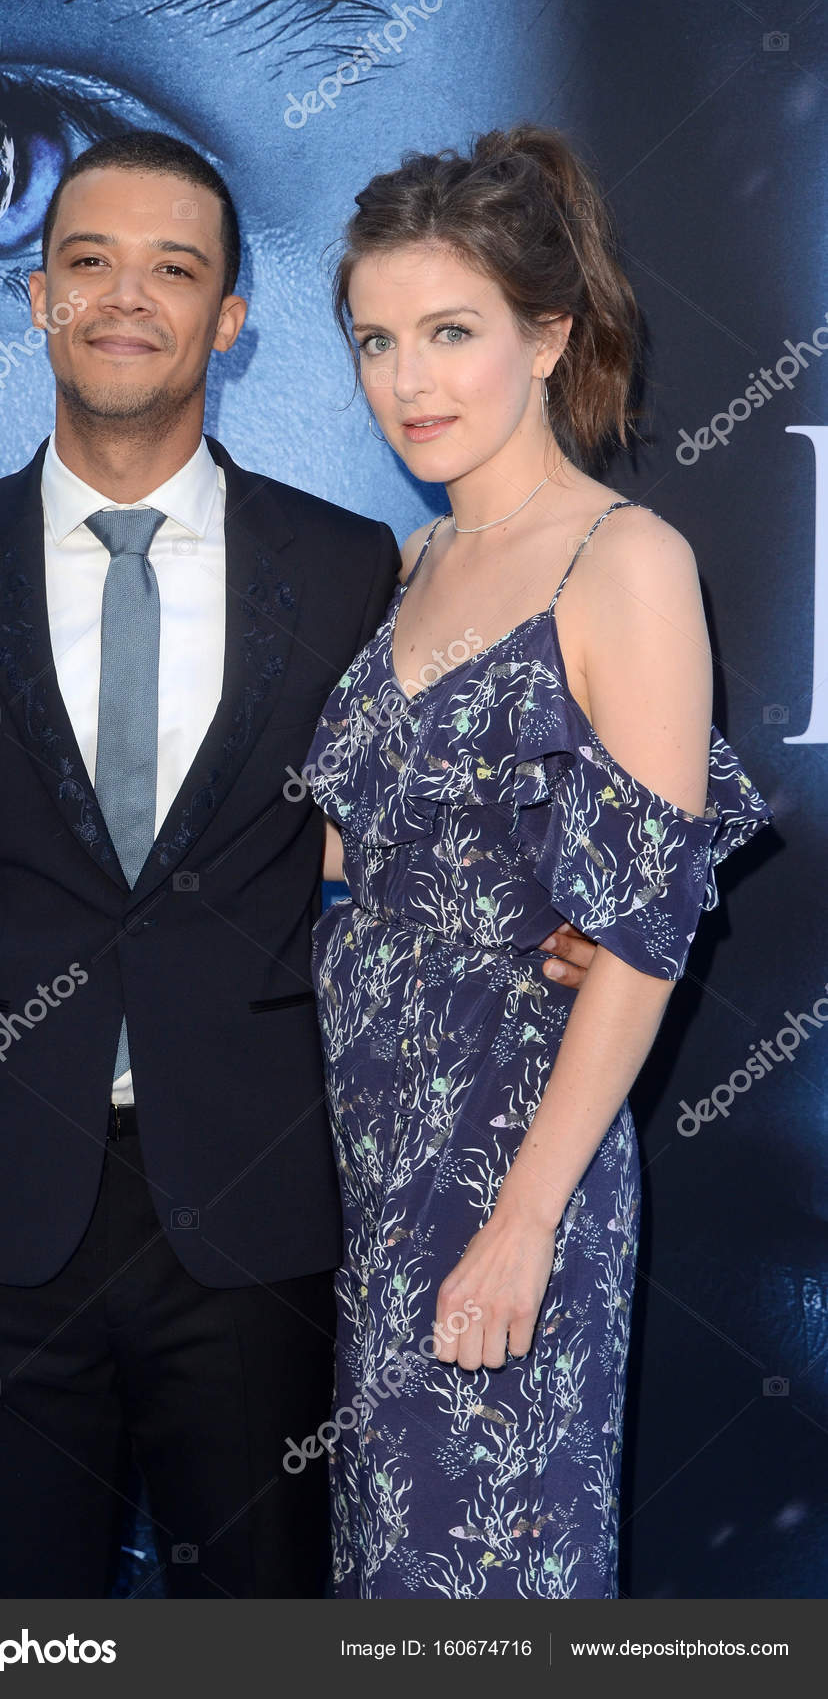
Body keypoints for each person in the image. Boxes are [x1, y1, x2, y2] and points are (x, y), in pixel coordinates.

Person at [0, 129, 593, 1601]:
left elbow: (428, 815)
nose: (128, 297)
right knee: (18, 1629)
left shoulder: (348, 563)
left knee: (262, 1638)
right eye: (90, 262)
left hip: (261, 1210)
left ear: (228, 320)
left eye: (174, 269)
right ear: (38, 297)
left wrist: (550, 915)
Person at [303, 124, 774, 1599]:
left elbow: (639, 939)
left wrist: (523, 1226)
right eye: (378, 341)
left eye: (451, 333)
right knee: (393, 1575)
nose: (408, 382)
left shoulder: (623, 563)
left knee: (492, 1581)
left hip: (515, 1160)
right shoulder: (404, 567)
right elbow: (343, 865)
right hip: (364, 1160)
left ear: (548, 334)